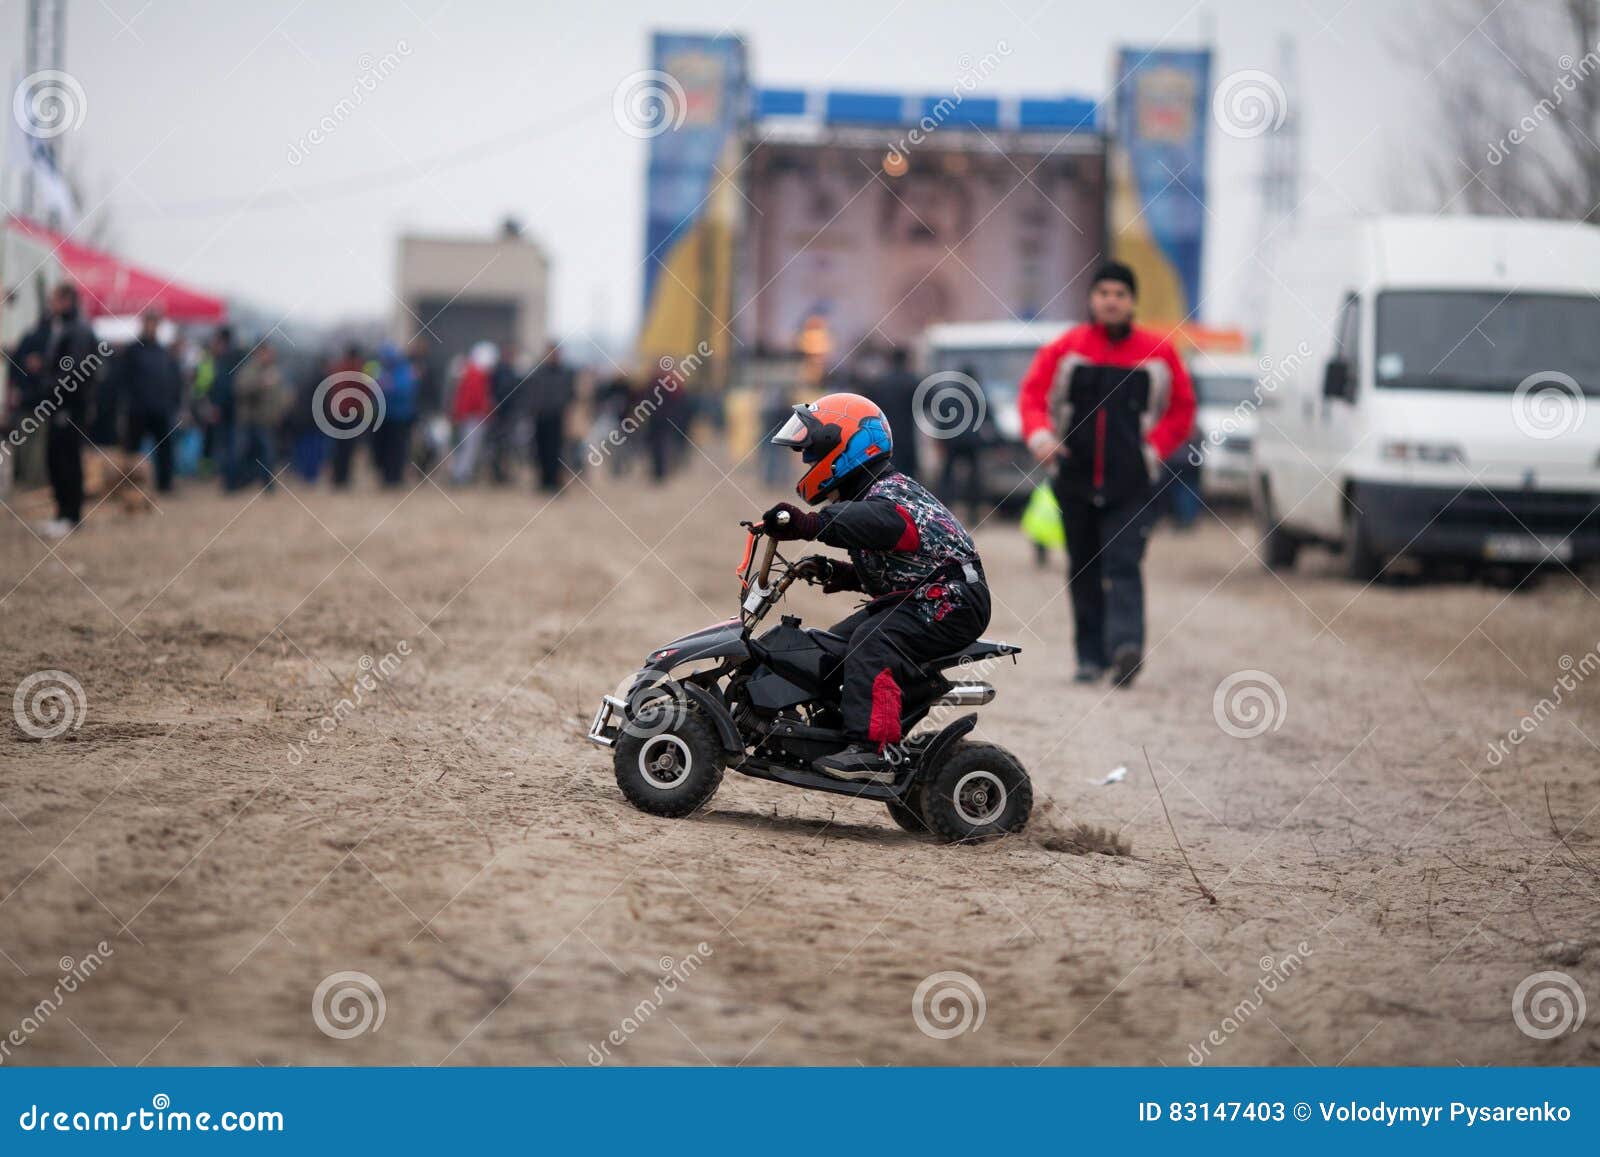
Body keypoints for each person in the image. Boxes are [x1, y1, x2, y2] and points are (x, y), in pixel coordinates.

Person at [761, 392, 989, 784]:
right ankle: (832, 729)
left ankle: (871, 750)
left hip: (953, 602)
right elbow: (900, 560)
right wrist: (839, 573)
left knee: (872, 642)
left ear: (846, 448)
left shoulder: (891, 496)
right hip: (919, 596)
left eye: (813, 452)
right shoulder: (868, 494)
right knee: (827, 646)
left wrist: (808, 525)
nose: (807, 462)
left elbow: (878, 524)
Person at [1018, 261, 1195, 688]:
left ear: (1132, 301)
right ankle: (1089, 658)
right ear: (1092, 299)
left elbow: (1182, 409)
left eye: (1120, 293)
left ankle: (1125, 649)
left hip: (1130, 483)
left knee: (1124, 563)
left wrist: (1151, 451)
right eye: (1104, 293)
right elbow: (1032, 397)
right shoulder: (1066, 350)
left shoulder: (1159, 353)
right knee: (1084, 567)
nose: (1111, 300)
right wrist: (1042, 439)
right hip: (1074, 479)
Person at [28, 284, 99, 536]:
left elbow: (75, 372)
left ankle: (71, 516)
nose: (51, 304)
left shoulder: (77, 329)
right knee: (56, 459)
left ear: (67, 300)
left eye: (54, 299)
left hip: (69, 408)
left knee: (67, 460)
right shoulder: (64, 327)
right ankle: (62, 513)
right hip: (61, 405)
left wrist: (50, 387)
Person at [113, 310, 185, 493]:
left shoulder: (163, 353)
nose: (151, 327)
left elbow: (173, 380)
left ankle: (165, 484)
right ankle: (129, 486)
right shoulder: (132, 351)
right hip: (137, 410)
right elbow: (122, 380)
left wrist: (173, 404)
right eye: (149, 323)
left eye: (155, 323)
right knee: (132, 451)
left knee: (165, 450)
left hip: (160, 410)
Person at [233, 343, 288, 490]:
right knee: (242, 453)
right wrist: (261, 383)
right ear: (259, 353)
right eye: (267, 353)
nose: (270, 356)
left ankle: (267, 485)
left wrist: (280, 410)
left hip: (267, 421)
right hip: (249, 421)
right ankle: (236, 483)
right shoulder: (249, 370)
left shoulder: (273, 370)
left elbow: (279, 394)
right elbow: (241, 390)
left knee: (268, 454)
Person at [862, 347, 922, 482]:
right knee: (909, 474)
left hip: (885, 436)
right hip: (908, 436)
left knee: (888, 474)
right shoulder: (913, 381)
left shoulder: (879, 383)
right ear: (906, 361)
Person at [527, 341, 574, 493]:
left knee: (556, 451)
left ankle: (555, 482)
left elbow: (569, 394)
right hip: (540, 418)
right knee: (541, 451)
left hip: (557, 417)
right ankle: (543, 481)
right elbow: (532, 394)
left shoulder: (565, 373)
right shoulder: (538, 372)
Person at [449, 343, 495, 484]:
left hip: (469, 416)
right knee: (469, 447)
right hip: (472, 417)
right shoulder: (475, 375)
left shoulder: (470, 373)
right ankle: (461, 475)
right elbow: (474, 398)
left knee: (467, 447)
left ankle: (462, 474)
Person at [374, 342, 417, 488]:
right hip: (383, 418)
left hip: (400, 418)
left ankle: (395, 478)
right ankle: (386, 477)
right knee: (382, 449)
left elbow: (405, 390)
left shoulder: (404, 370)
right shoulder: (381, 369)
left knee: (397, 449)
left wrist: (387, 387)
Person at [326, 345, 369, 489]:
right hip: (352, 414)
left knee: (338, 447)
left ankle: (337, 477)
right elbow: (365, 390)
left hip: (336, 413)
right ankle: (343, 478)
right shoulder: (358, 369)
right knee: (348, 448)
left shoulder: (338, 367)